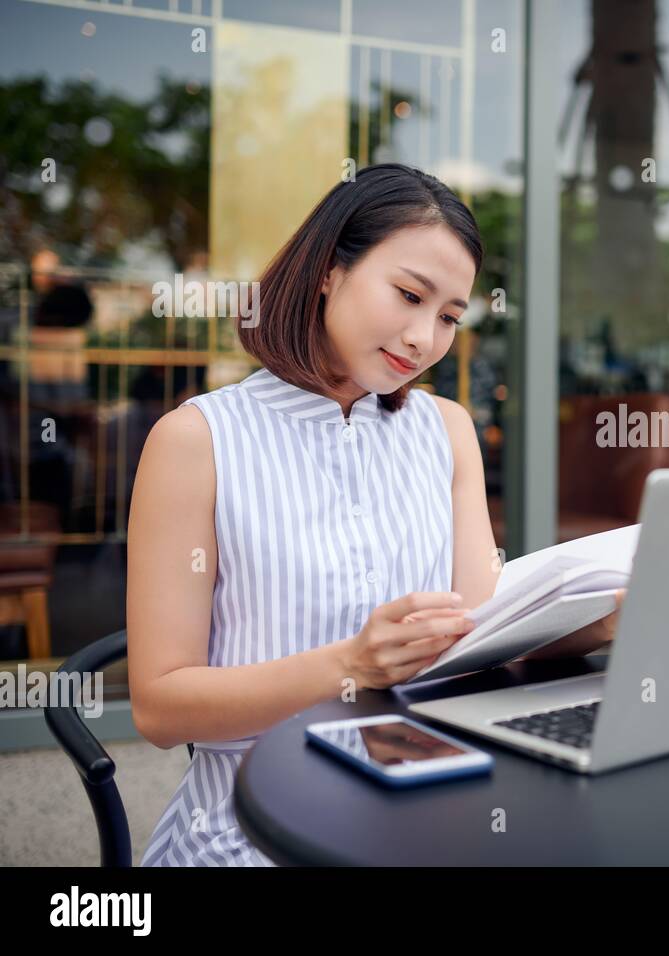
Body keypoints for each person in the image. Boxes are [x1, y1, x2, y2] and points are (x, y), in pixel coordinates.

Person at [128, 165, 624, 866]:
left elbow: (476, 635)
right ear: (329, 271)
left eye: (450, 316)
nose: (425, 338)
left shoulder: (447, 431)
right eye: (408, 295)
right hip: (252, 830)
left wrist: (590, 622)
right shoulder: (198, 440)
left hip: (426, 800)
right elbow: (157, 707)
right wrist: (349, 665)